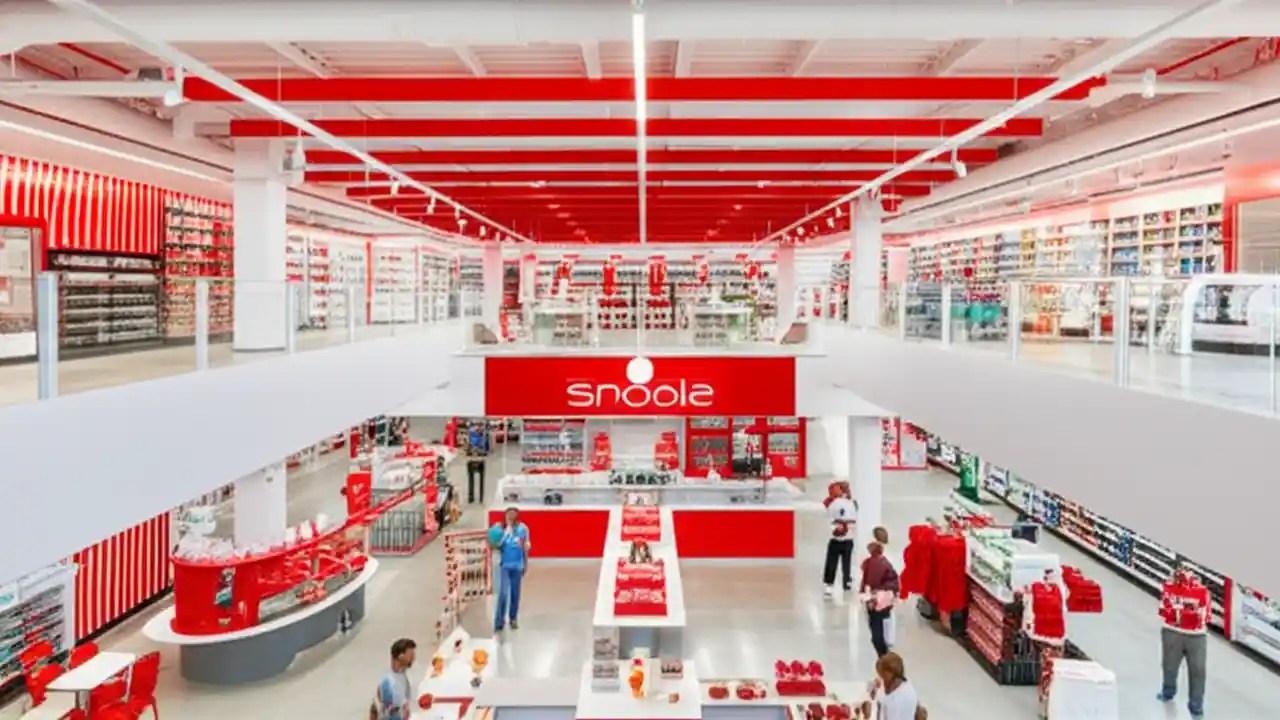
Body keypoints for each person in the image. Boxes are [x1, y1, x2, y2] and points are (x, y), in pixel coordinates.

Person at [1157, 565, 1210, 718]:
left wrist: (1179, 610)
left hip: (1197, 636)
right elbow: (1165, 610)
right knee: (1169, 665)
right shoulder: (1168, 587)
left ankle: (1196, 706)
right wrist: (1186, 611)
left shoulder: (1203, 592)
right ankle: (1168, 691)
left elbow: (1203, 616)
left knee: (1198, 670)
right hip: (1172, 632)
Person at [494, 506, 531, 632]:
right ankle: (499, 621)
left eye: (512, 515)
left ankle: (513, 618)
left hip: (517, 566)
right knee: (503, 594)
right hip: (504, 566)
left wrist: (526, 564)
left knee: (515, 594)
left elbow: (525, 548)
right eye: (508, 515)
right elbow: (495, 546)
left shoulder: (523, 529)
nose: (510, 518)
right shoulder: (501, 529)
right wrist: (503, 535)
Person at [860, 540, 900, 658]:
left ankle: (882, 653)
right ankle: (886, 649)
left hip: (874, 600)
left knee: (875, 627)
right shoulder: (886, 563)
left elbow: (867, 582)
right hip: (885, 600)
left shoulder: (869, 563)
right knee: (884, 623)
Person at [862, 652, 926, 720]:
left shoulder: (896, 703)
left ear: (889, 674)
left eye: (882, 675)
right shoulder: (905, 684)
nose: (880, 678)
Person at [822, 484, 857, 597]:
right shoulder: (852, 503)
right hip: (849, 538)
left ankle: (829, 584)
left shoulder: (832, 504)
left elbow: (828, 517)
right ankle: (846, 582)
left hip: (835, 538)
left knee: (832, 562)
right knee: (846, 562)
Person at [371, 638, 416, 720]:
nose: (413, 658)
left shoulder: (400, 675)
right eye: (411, 655)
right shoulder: (391, 685)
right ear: (401, 657)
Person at [466, 421, 490, 504]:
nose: (478, 430)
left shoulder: (480, 437)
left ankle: (479, 498)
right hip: (475, 460)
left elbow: (485, 449)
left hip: (477, 460)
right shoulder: (473, 435)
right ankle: (472, 498)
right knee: (472, 480)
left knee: (477, 481)